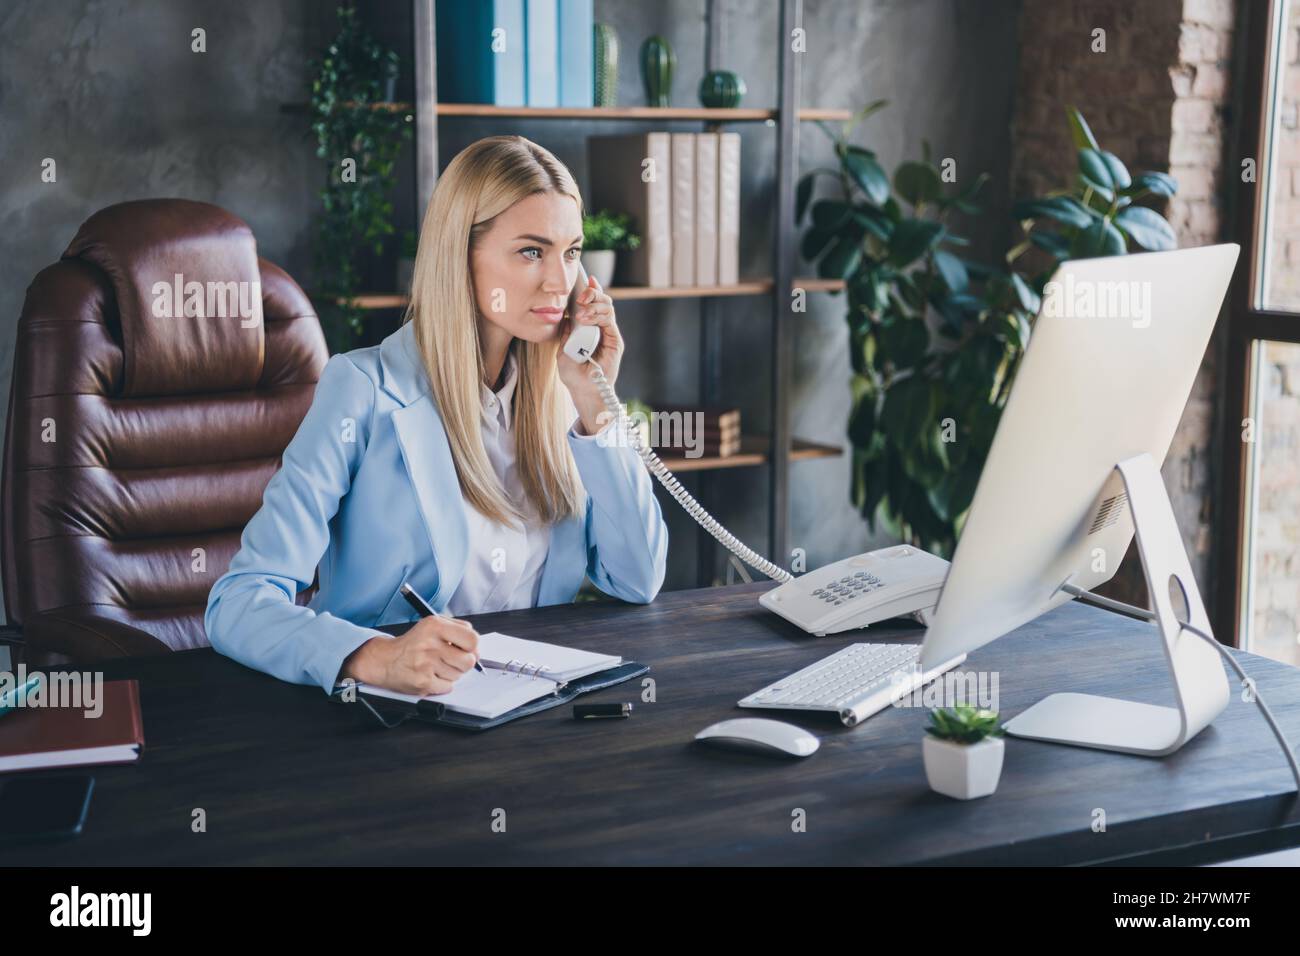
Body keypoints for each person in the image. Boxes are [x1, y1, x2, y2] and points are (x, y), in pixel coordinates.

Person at [205, 135, 668, 697]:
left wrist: (597, 403)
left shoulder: (562, 399)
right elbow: (239, 603)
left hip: (530, 705)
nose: (559, 281)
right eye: (530, 251)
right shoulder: (364, 391)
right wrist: (373, 656)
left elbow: (636, 579)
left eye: (571, 253)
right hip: (399, 713)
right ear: (460, 256)